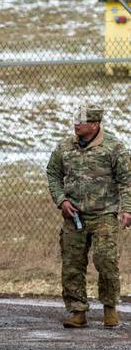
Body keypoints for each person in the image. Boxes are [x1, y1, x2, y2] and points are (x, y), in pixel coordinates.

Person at [45, 106, 131, 329]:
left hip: (104, 215)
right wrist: (61, 200)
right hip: (74, 216)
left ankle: (110, 309)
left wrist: (127, 209)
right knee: (72, 264)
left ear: (95, 124)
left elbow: (126, 180)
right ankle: (77, 311)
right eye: (75, 120)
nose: (76, 124)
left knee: (106, 261)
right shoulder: (65, 147)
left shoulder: (113, 147)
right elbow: (53, 174)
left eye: (82, 121)